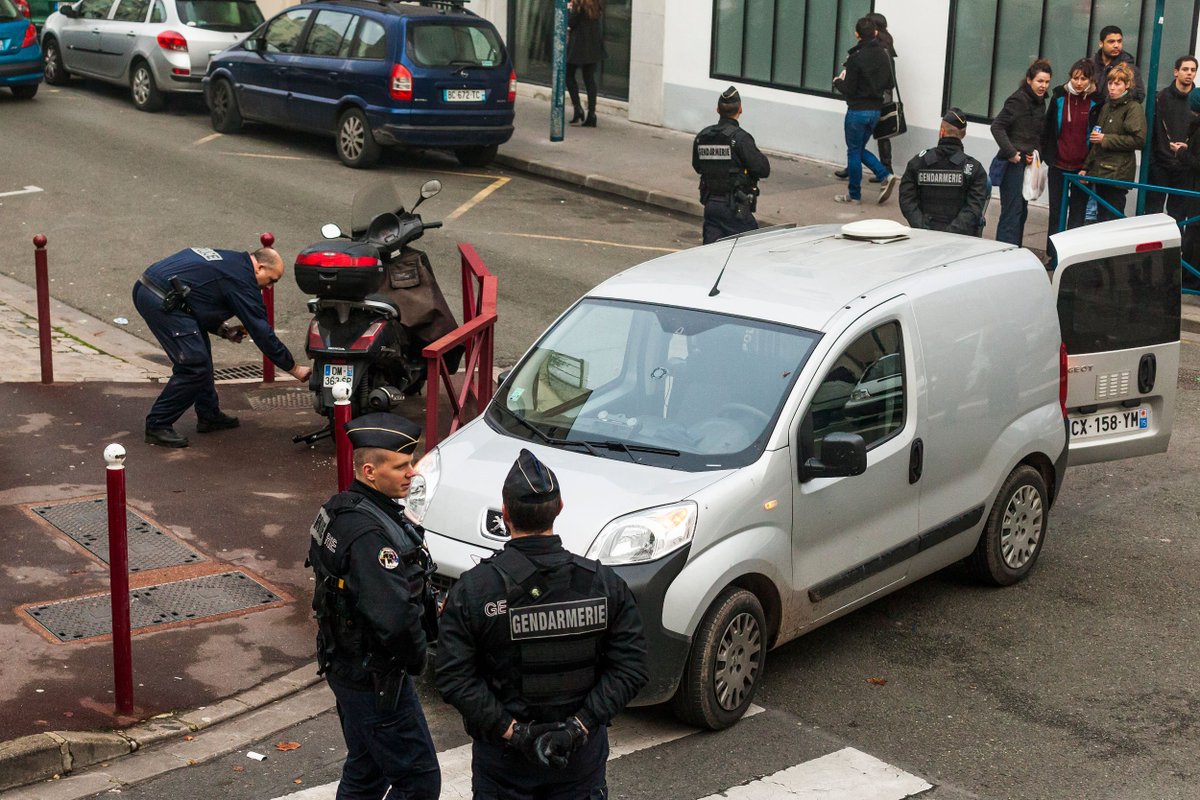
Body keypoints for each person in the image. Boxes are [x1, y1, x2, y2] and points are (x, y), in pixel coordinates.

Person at [436, 449, 649, 800]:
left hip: (505, 764)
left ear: (505, 514)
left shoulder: (474, 591)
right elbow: (631, 668)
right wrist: (577, 728)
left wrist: (515, 733)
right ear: (560, 508)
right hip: (578, 760)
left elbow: (455, 678)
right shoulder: (604, 585)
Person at [308, 412, 441, 800]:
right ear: (369, 471)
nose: (412, 473)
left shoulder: (341, 510)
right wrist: (419, 660)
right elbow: (395, 617)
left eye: (411, 463)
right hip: (376, 678)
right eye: (401, 466)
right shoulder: (370, 536)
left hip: (349, 666)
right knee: (418, 782)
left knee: (366, 771)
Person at [132, 246, 311, 448]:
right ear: (260, 268)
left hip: (153, 289)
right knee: (194, 365)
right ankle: (158, 425)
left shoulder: (231, 261)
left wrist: (223, 330)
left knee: (200, 357)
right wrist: (294, 369)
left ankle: (209, 415)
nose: (268, 288)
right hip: (160, 298)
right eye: (271, 280)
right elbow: (262, 332)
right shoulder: (241, 279)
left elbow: (200, 297)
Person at [832, 16, 899, 205]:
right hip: (875, 112)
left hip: (857, 111)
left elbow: (849, 89)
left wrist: (837, 82)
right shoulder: (884, 55)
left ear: (856, 35)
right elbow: (889, 84)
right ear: (876, 33)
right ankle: (885, 174)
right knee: (859, 149)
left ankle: (855, 195)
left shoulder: (855, 58)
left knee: (853, 151)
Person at [692, 85, 771, 244]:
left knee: (712, 252)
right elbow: (762, 169)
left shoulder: (703, 136)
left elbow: (698, 166)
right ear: (740, 109)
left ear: (717, 109)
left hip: (711, 204)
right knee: (751, 248)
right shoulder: (740, 138)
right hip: (735, 207)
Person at [990, 59, 1052, 246]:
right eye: (1040, 81)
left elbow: (1036, 134)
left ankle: (1014, 250)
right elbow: (997, 127)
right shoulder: (1018, 99)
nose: (1043, 86)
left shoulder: (1040, 102)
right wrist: (1012, 153)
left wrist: (1036, 152)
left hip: (1028, 163)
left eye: (1047, 81)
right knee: (1012, 211)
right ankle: (1004, 252)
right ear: (1029, 80)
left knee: (1021, 211)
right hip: (1012, 165)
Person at [899, 108, 988, 236]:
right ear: (963, 135)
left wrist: (923, 228)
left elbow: (906, 200)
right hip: (960, 241)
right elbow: (973, 209)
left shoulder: (918, 162)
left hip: (923, 237)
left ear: (942, 132)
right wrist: (949, 233)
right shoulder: (974, 168)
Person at [1043, 58, 1099, 250]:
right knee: (1056, 212)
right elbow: (1048, 127)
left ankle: (1071, 253)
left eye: (1084, 78)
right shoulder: (1059, 96)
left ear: (1091, 80)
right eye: (1075, 78)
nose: (1079, 82)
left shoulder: (1097, 102)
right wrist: (1047, 156)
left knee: (1078, 212)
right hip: (1058, 165)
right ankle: (1052, 254)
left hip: (1081, 169)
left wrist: (1088, 167)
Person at [1080, 62, 1147, 223]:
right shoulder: (1107, 106)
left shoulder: (1133, 108)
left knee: (1111, 219)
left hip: (1118, 174)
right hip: (1100, 170)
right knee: (1099, 218)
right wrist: (1086, 167)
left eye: (1117, 84)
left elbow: (1139, 140)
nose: (1112, 87)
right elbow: (1097, 140)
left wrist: (1106, 139)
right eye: (1110, 83)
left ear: (1127, 85)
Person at [1146, 55, 1198, 220]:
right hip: (1160, 165)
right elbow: (1152, 132)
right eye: (1185, 69)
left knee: (1179, 217)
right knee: (1153, 215)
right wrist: (1153, 162)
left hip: (1185, 167)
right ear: (1176, 72)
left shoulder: (1197, 101)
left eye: (1193, 70)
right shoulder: (1160, 97)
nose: (1189, 73)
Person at [566, 0, 604, 128]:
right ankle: (592, 114)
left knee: (568, 75)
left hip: (579, 45)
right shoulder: (596, 3)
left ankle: (578, 108)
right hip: (593, 45)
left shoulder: (578, 4)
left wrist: (569, 9)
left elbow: (571, 22)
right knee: (589, 79)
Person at [1091, 25, 1145, 103]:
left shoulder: (1129, 68)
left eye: (1119, 41)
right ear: (1101, 43)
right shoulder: (1090, 64)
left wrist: (1120, 95)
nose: (1116, 45)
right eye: (1111, 41)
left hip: (1115, 113)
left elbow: (1139, 96)